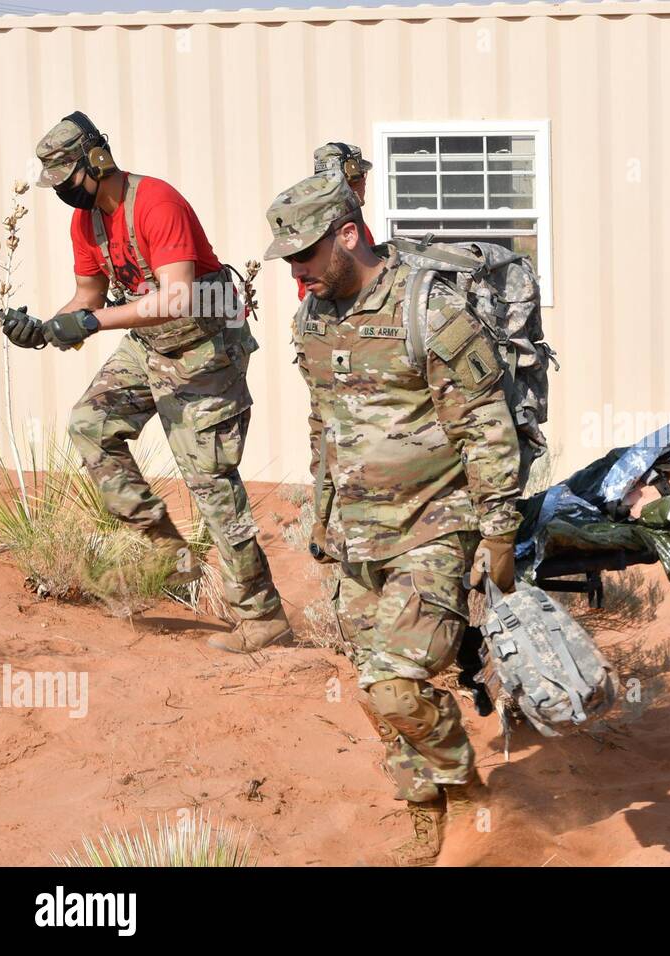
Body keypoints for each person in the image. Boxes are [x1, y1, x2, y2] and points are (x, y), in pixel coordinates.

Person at [266, 171, 522, 862]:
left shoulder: (429, 311)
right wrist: (320, 521)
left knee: (397, 687)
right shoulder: (311, 319)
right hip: (352, 536)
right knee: (373, 697)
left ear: (349, 234)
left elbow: (487, 426)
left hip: (432, 527)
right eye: (287, 257)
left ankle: (466, 789)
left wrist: (498, 529)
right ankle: (423, 805)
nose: (296, 269)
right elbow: (325, 423)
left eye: (306, 254)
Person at [0, 111, 290, 651]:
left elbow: (177, 296)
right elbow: (87, 299)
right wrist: (42, 329)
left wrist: (89, 323)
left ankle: (262, 616)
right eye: (55, 183)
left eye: (67, 177)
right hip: (152, 342)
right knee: (90, 425)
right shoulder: (84, 223)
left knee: (210, 485)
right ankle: (167, 551)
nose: (63, 191)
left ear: (96, 160)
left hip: (207, 348)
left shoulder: (157, 202)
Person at [297, 142, 375, 300]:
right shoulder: (350, 228)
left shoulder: (305, 224)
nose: (365, 181)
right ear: (351, 177)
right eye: (363, 174)